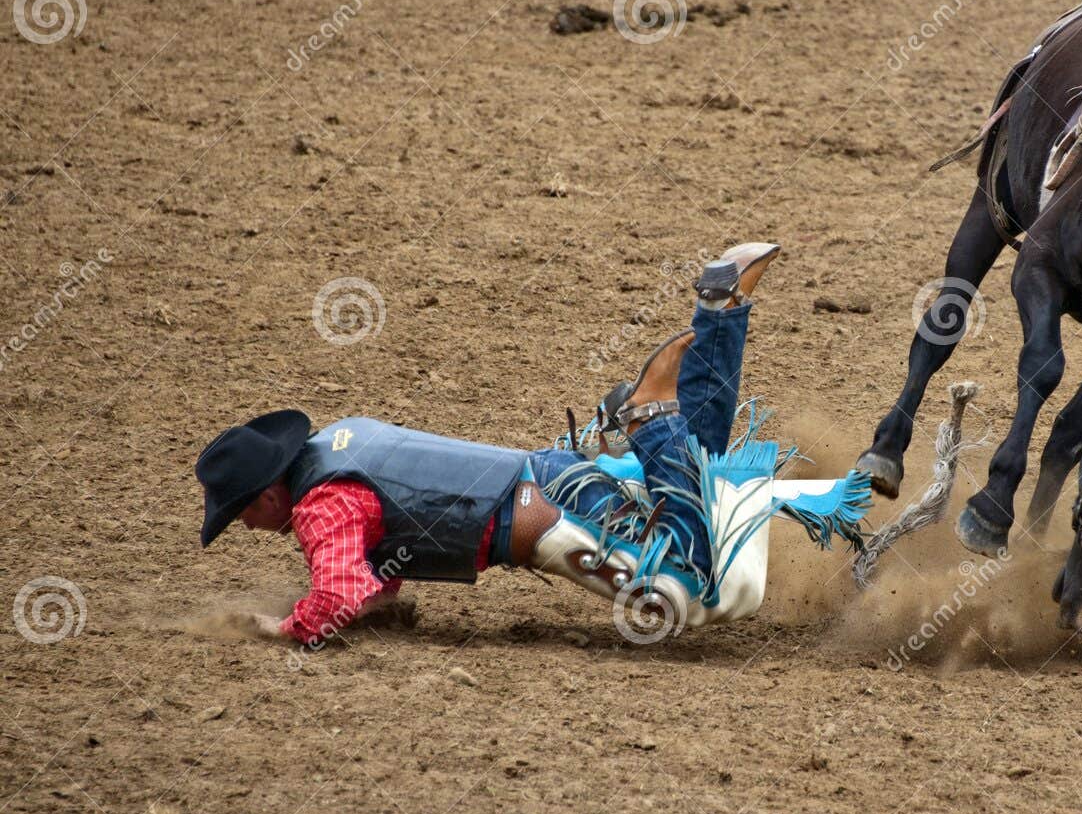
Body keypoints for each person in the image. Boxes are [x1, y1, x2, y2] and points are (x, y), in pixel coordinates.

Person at [195, 243, 782, 646]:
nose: (247, 525)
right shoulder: (341, 444)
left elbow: (341, 592)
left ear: (270, 490)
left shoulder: (322, 505)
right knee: (698, 479)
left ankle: (648, 416)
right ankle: (720, 309)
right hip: (550, 477)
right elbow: (378, 568)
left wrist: (285, 628)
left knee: (686, 589)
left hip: (555, 516)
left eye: (243, 510)